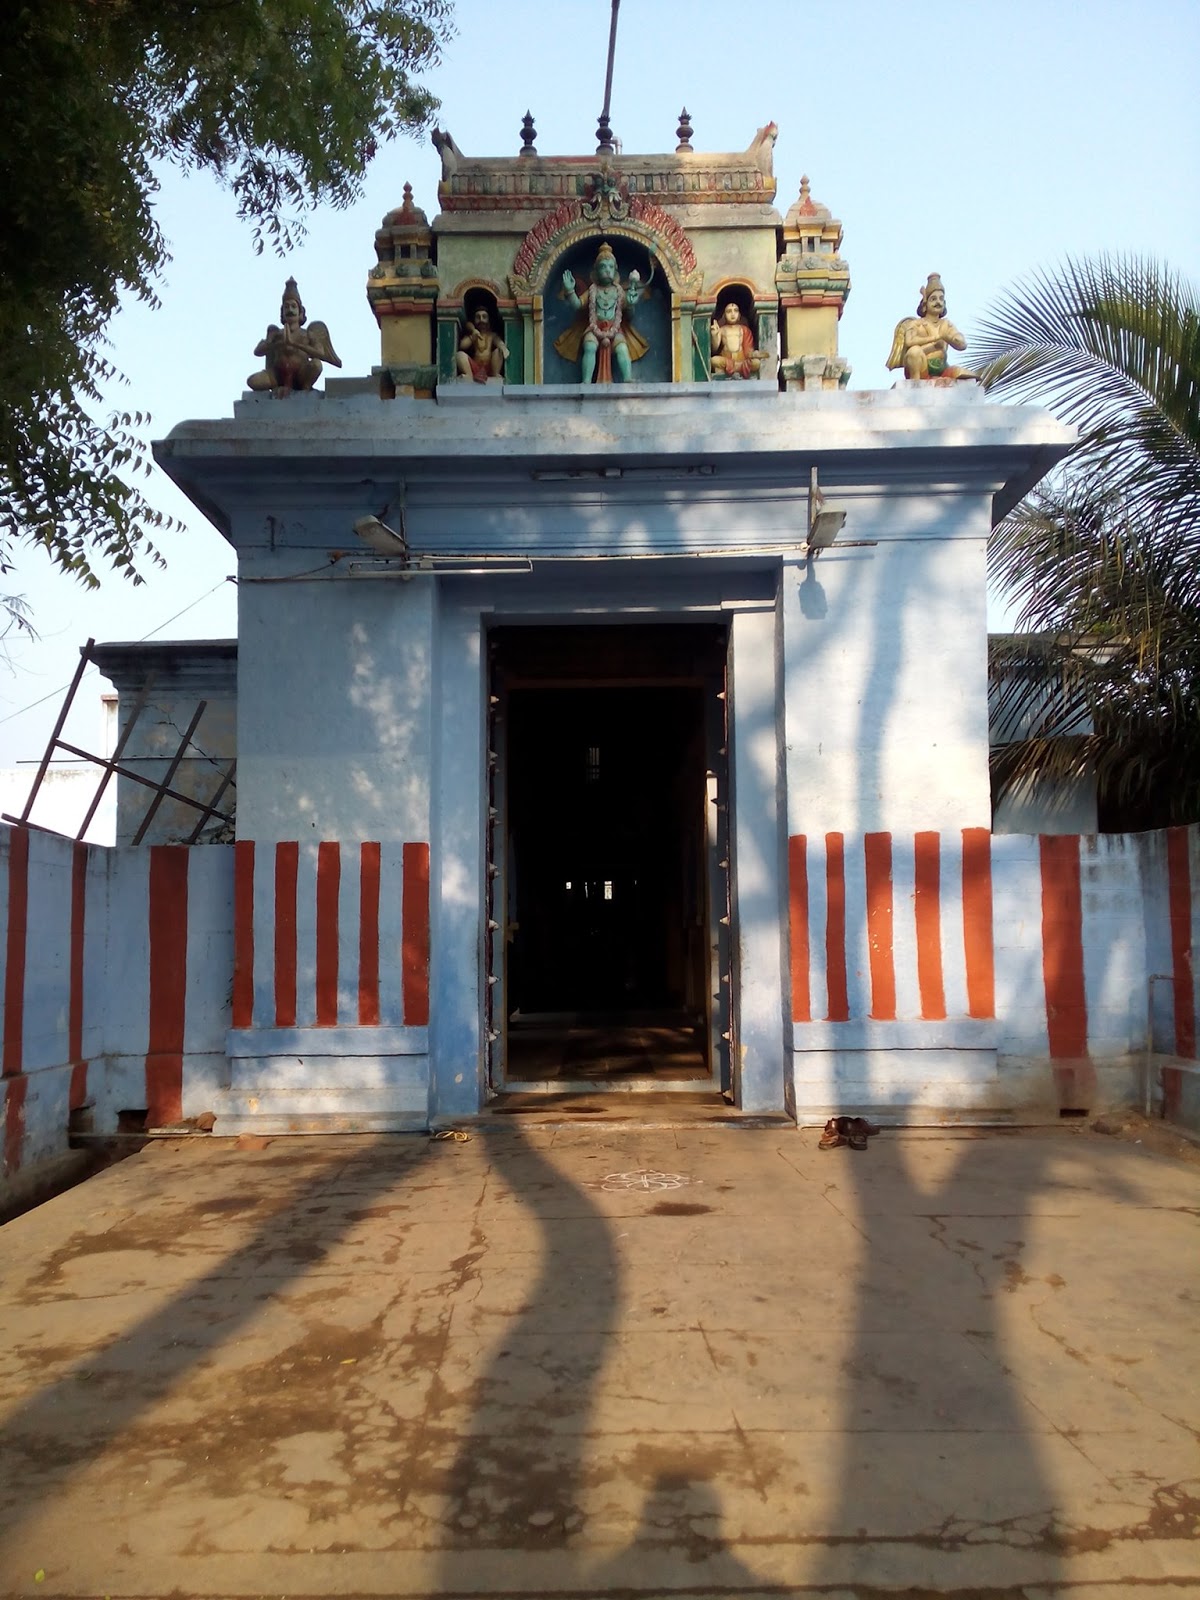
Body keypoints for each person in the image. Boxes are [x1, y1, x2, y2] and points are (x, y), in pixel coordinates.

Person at [554, 242, 647, 383]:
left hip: (614, 328)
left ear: (615, 271)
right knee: (589, 346)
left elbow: (629, 315)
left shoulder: (619, 291)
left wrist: (631, 305)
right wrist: (570, 290)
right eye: (603, 267)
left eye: (610, 267)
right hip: (594, 327)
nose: (607, 270)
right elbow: (578, 305)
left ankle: (627, 378)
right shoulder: (592, 290)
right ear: (596, 271)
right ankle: (586, 381)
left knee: (622, 348)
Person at [247, 279, 340, 396]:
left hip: (301, 375)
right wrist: (277, 343)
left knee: (316, 365)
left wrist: (294, 344)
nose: (290, 310)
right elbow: (258, 352)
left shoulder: (307, 334)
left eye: (293, 307)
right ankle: (278, 387)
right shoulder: (276, 333)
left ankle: (305, 389)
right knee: (253, 381)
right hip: (278, 376)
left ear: (300, 312)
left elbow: (321, 354)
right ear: (282, 312)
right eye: (286, 307)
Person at [886, 273, 972, 380]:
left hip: (942, 368)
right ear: (925, 304)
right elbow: (909, 341)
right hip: (921, 368)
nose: (938, 302)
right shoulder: (916, 324)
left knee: (963, 374)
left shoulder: (946, 324)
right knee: (914, 351)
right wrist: (936, 339)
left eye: (941, 299)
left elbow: (962, 345)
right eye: (933, 299)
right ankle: (916, 385)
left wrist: (951, 338)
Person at [710, 301, 762, 379]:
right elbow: (715, 349)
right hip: (727, 362)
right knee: (713, 360)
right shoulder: (721, 330)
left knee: (756, 363)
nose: (733, 314)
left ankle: (735, 368)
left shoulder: (745, 330)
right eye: (729, 311)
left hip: (742, 362)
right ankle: (734, 368)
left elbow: (748, 350)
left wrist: (753, 354)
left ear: (739, 315)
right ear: (724, 315)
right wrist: (714, 335)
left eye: (735, 310)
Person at [456, 306, 509, 382]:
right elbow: (462, 346)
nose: (481, 320)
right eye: (478, 317)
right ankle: (469, 375)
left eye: (484, 317)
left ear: (489, 320)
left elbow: (499, 342)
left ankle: (495, 374)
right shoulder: (474, 335)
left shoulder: (492, 335)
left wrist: (503, 348)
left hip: (489, 368)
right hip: (475, 367)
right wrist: (472, 336)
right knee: (460, 355)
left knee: (498, 351)